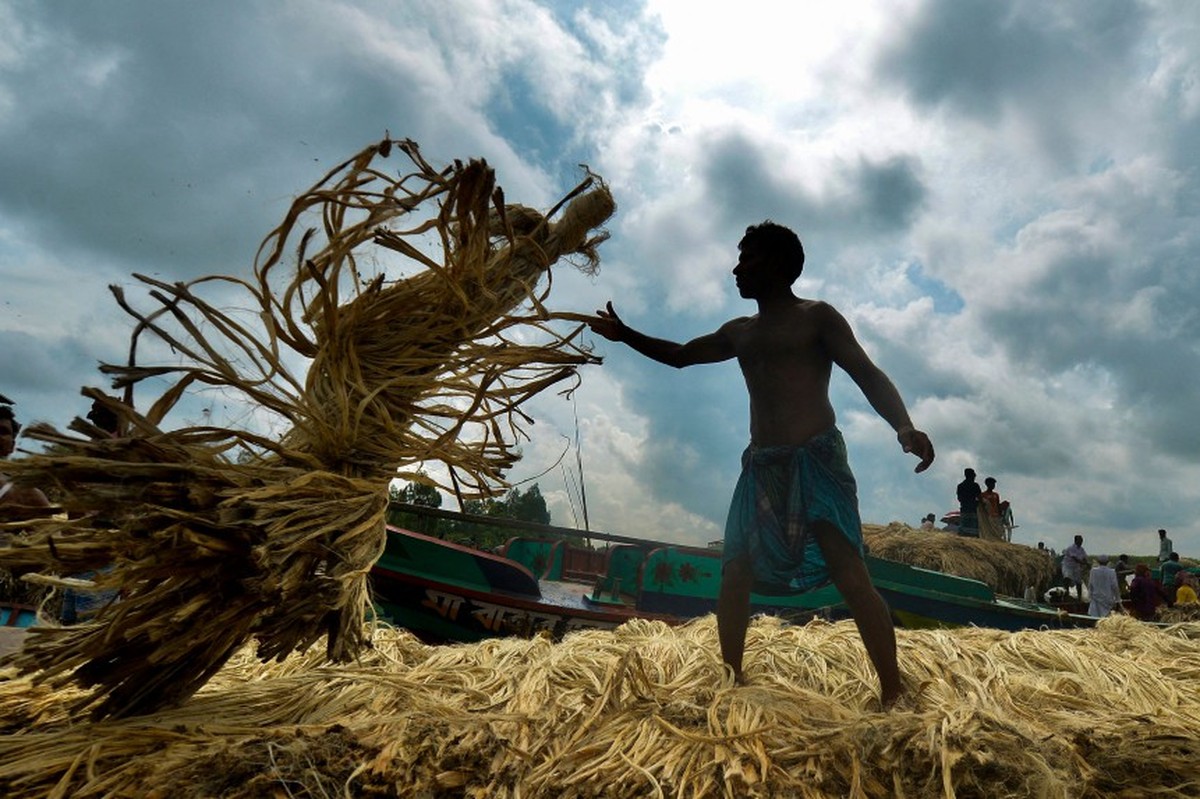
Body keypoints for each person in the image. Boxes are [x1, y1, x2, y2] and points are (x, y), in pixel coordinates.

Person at [586, 220, 934, 707]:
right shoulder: (740, 332)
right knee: (736, 571)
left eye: (746, 257)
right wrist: (625, 335)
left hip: (817, 461)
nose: (736, 268)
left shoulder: (817, 318)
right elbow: (683, 355)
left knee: (849, 573)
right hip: (762, 468)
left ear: (776, 264)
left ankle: (894, 691)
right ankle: (731, 679)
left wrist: (903, 426)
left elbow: (866, 372)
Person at [0, 402, 52, 519]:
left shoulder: (27, 496)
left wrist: (76, 507)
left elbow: (48, 535)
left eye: (2, 431)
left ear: (11, 446)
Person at [1060, 535, 1089, 601]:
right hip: (1068, 565)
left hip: (1076, 567)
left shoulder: (1082, 549)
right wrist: (1084, 563)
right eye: (1080, 540)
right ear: (1075, 541)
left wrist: (1087, 563)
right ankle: (1066, 593)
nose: (1081, 542)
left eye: (1082, 540)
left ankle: (1079, 597)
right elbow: (1075, 558)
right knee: (1067, 577)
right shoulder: (1071, 548)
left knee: (1078, 581)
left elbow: (1084, 557)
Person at [977, 477, 1004, 541]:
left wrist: (1000, 514)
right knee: (988, 531)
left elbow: (998, 504)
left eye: (994, 484)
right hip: (988, 516)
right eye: (992, 484)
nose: (993, 485)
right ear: (987, 484)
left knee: (997, 531)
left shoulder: (996, 495)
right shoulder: (983, 495)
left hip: (996, 516)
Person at [956, 469, 981, 537]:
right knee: (973, 528)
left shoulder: (960, 486)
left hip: (964, 508)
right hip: (973, 509)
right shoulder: (975, 485)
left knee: (964, 526)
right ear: (971, 475)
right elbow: (980, 497)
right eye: (973, 475)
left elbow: (959, 498)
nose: (975, 476)